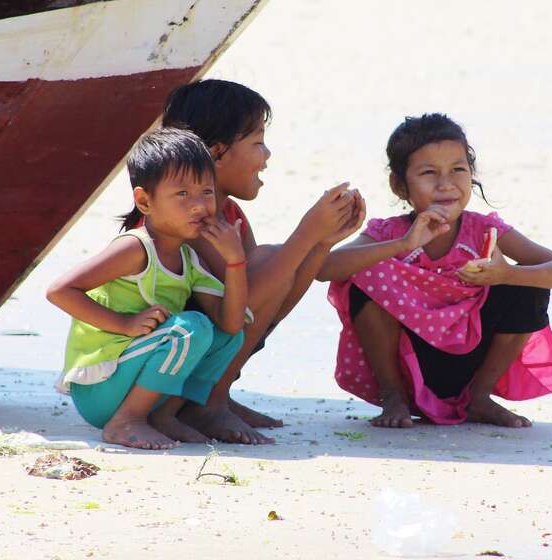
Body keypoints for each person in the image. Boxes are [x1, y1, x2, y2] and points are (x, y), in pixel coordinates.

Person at [317, 113, 552, 429]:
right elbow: (325, 268)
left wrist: (506, 275)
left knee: (530, 282)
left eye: (458, 169)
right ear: (399, 185)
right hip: (412, 361)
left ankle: (479, 398)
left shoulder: (484, 230)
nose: (446, 184)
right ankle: (392, 396)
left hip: (470, 360)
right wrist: (403, 244)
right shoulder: (390, 233)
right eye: (429, 172)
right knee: (366, 272)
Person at [161, 79, 365, 444]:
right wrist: (306, 232)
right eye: (258, 142)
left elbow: (274, 298)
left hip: (189, 352)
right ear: (217, 153)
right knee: (270, 261)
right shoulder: (189, 219)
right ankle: (206, 401)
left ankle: (215, 394)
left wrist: (321, 242)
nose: (267, 155)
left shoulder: (228, 214)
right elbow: (246, 303)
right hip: (156, 364)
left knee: (272, 264)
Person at [46, 128, 250, 450]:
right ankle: (125, 421)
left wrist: (235, 261)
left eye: (207, 192)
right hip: (102, 386)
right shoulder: (135, 248)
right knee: (190, 327)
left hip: (136, 379)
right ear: (144, 201)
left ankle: (164, 415)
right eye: (182, 194)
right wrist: (124, 324)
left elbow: (232, 324)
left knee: (227, 336)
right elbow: (60, 291)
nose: (198, 205)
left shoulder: (188, 259)